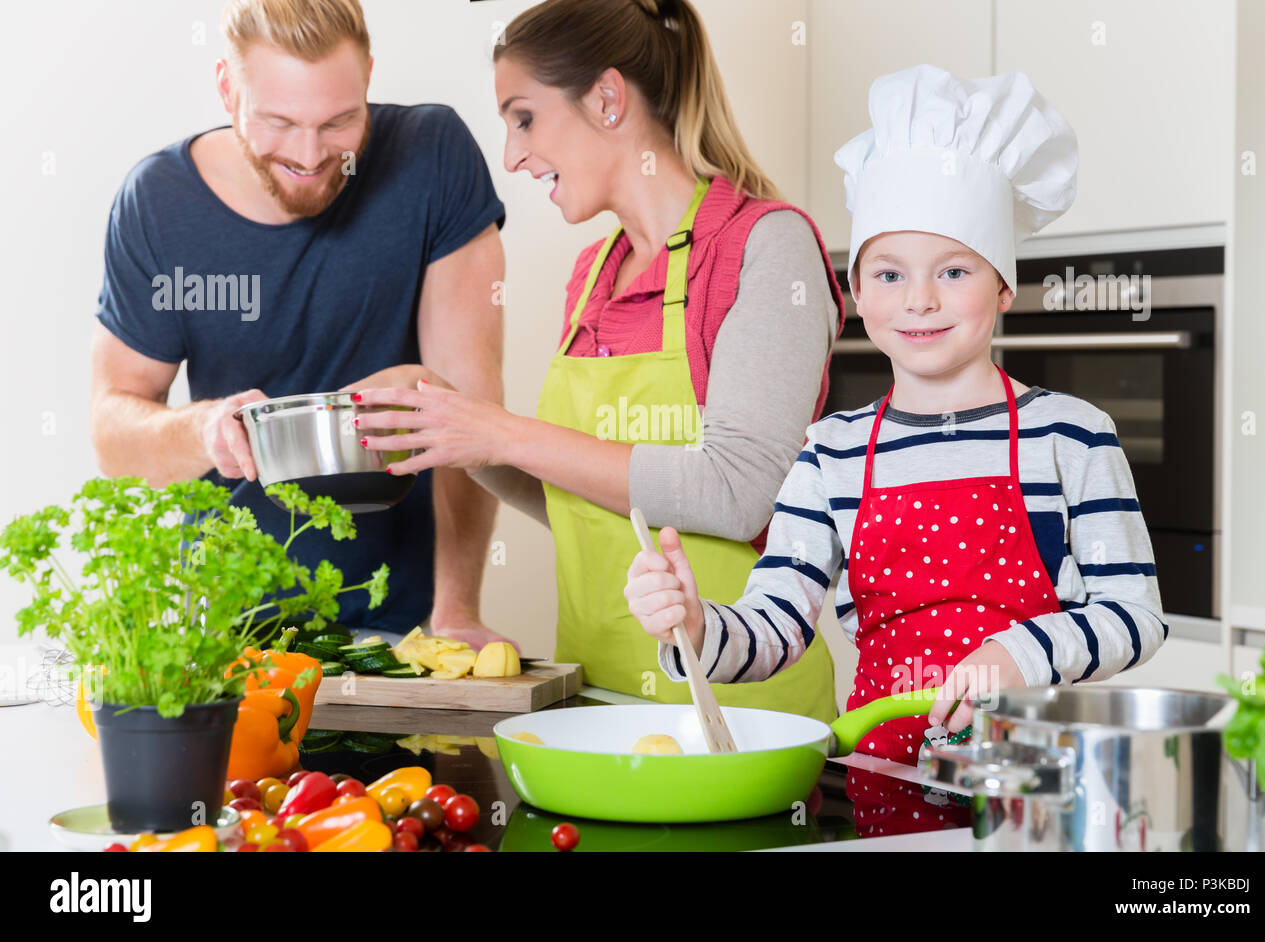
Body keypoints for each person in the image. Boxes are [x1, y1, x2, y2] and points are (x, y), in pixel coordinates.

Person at [625, 64, 1168, 776]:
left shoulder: (1072, 436)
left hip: (1034, 793)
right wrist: (695, 626)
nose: (919, 301)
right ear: (855, 291)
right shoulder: (830, 454)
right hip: (883, 783)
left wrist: (1020, 653)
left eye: (953, 272)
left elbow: (1135, 615)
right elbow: (777, 627)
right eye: (889, 274)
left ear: (1002, 285)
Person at [350, 0, 843, 722]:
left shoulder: (765, 248)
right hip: (599, 704)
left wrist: (503, 432)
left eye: (523, 117)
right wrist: (447, 422)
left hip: (744, 716)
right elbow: (583, 503)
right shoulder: (594, 276)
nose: (512, 155)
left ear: (608, 99)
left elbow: (742, 494)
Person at [89, 0, 508, 643]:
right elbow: (114, 438)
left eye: (339, 121)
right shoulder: (158, 204)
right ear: (229, 89)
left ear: (368, 76)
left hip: (401, 632)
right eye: (279, 122)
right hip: (226, 633)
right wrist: (204, 428)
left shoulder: (433, 158)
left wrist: (457, 610)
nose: (311, 156)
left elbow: (472, 415)